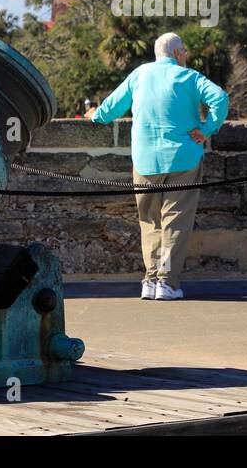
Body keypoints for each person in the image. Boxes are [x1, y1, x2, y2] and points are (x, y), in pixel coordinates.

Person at [87, 32, 229, 300]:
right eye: (184, 51)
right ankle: (167, 283)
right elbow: (220, 98)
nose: (186, 56)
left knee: (149, 220)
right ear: (177, 53)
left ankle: (150, 280)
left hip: (145, 160)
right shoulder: (190, 77)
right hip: (183, 158)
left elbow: (111, 107)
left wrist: (95, 116)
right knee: (175, 220)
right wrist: (207, 128)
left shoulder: (140, 74)